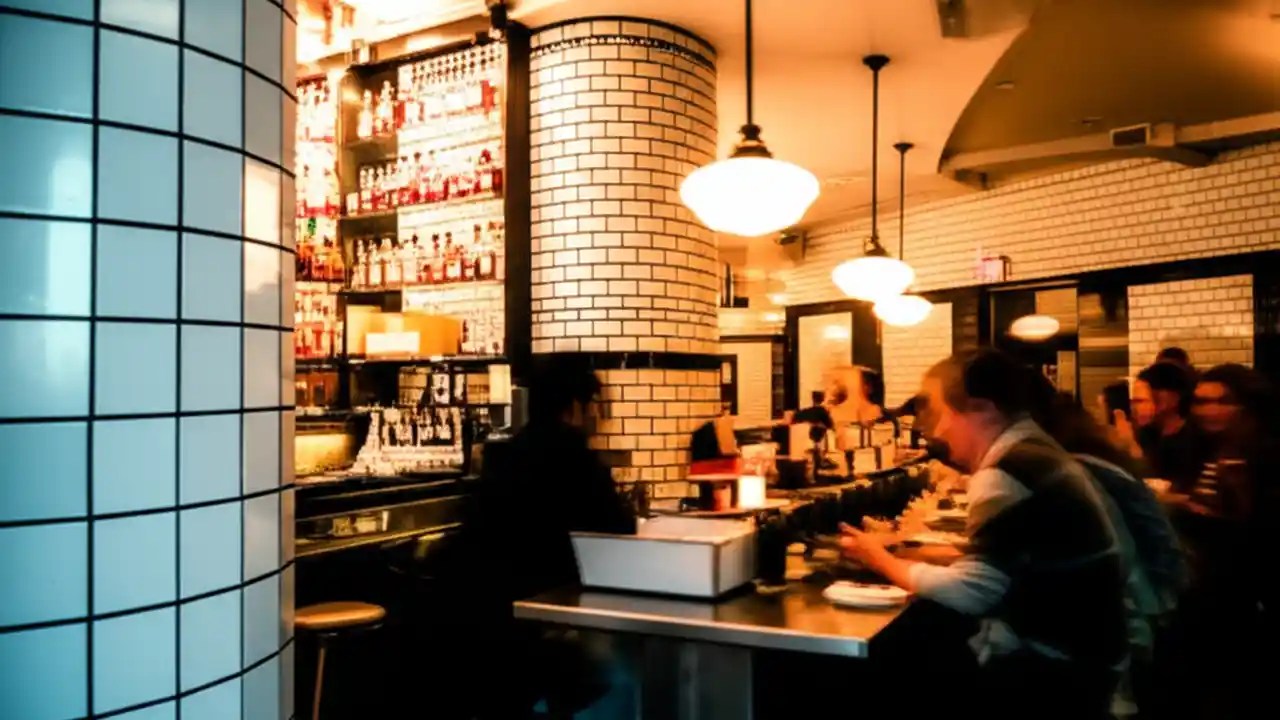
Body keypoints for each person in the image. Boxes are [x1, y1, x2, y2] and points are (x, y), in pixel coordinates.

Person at [840, 350, 1127, 719]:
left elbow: (970, 592)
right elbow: (1013, 558)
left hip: (1057, 666)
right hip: (1093, 649)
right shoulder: (1033, 450)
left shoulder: (1006, 471)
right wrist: (907, 550)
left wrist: (878, 559)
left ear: (984, 409)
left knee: (901, 675)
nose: (940, 429)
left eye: (949, 414)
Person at [461, 357, 636, 718]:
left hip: (485, 626)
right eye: (597, 407)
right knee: (628, 679)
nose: (599, 418)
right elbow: (619, 536)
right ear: (574, 407)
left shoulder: (502, 455)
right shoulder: (579, 462)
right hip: (548, 630)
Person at [1120, 361, 1207, 489]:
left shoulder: (1197, 439)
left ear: (1171, 399)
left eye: (1140, 401)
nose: (1133, 408)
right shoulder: (1147, 434)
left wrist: (1132, 447)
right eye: (1132, 402)